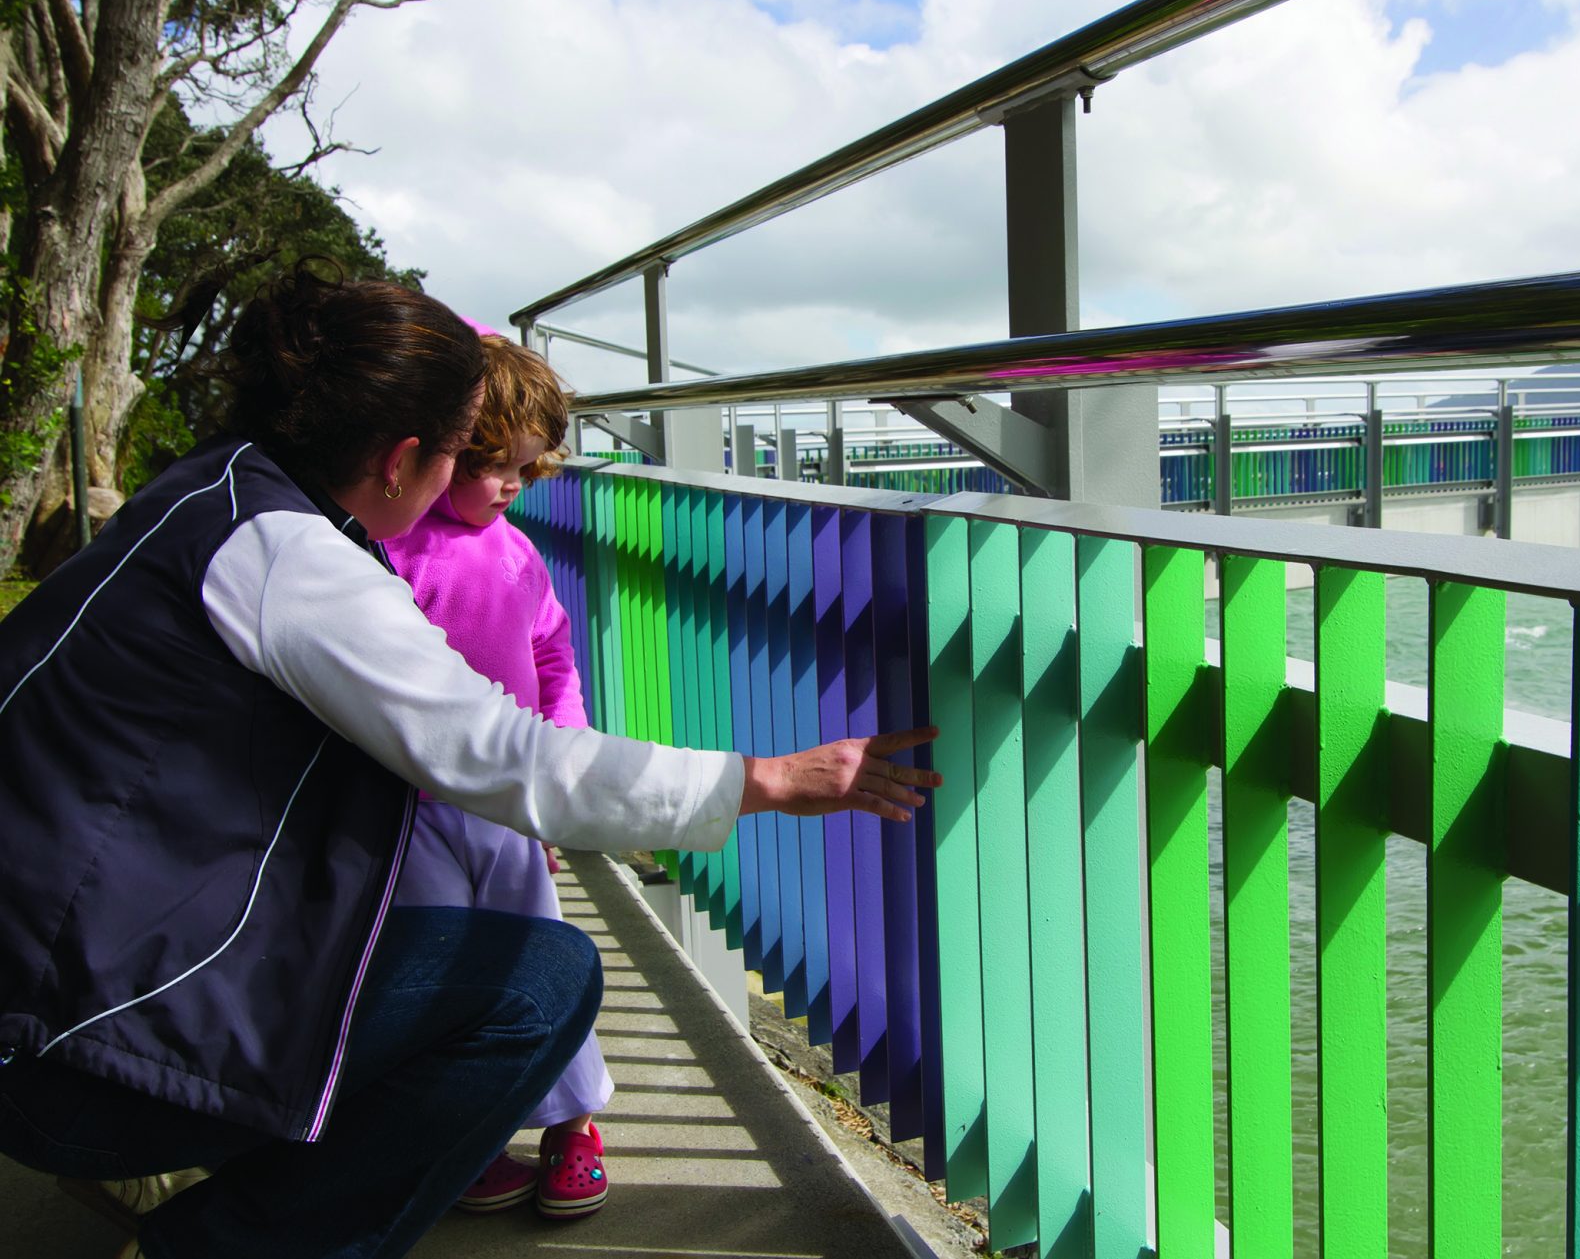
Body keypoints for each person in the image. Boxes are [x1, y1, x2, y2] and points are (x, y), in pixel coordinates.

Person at [0, 266, 938, 1259]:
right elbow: (503, 755)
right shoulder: (292, 561)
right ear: (404, 458)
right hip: (66, 1060)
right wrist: (771, 780)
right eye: (457, 455)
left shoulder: (203, 492)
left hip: (42, 997)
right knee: (536, 982)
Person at [382, 335, 615, 1221]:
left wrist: (563, 753)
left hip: (507, 802)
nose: (513, 486)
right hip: (408, 807)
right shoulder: (387, 549)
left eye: (528, 470)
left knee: (536, 955)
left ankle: (573, 1123)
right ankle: (472, 1133)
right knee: (437, 969)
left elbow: (554, 654)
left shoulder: (515, 553)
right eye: (496, 467)